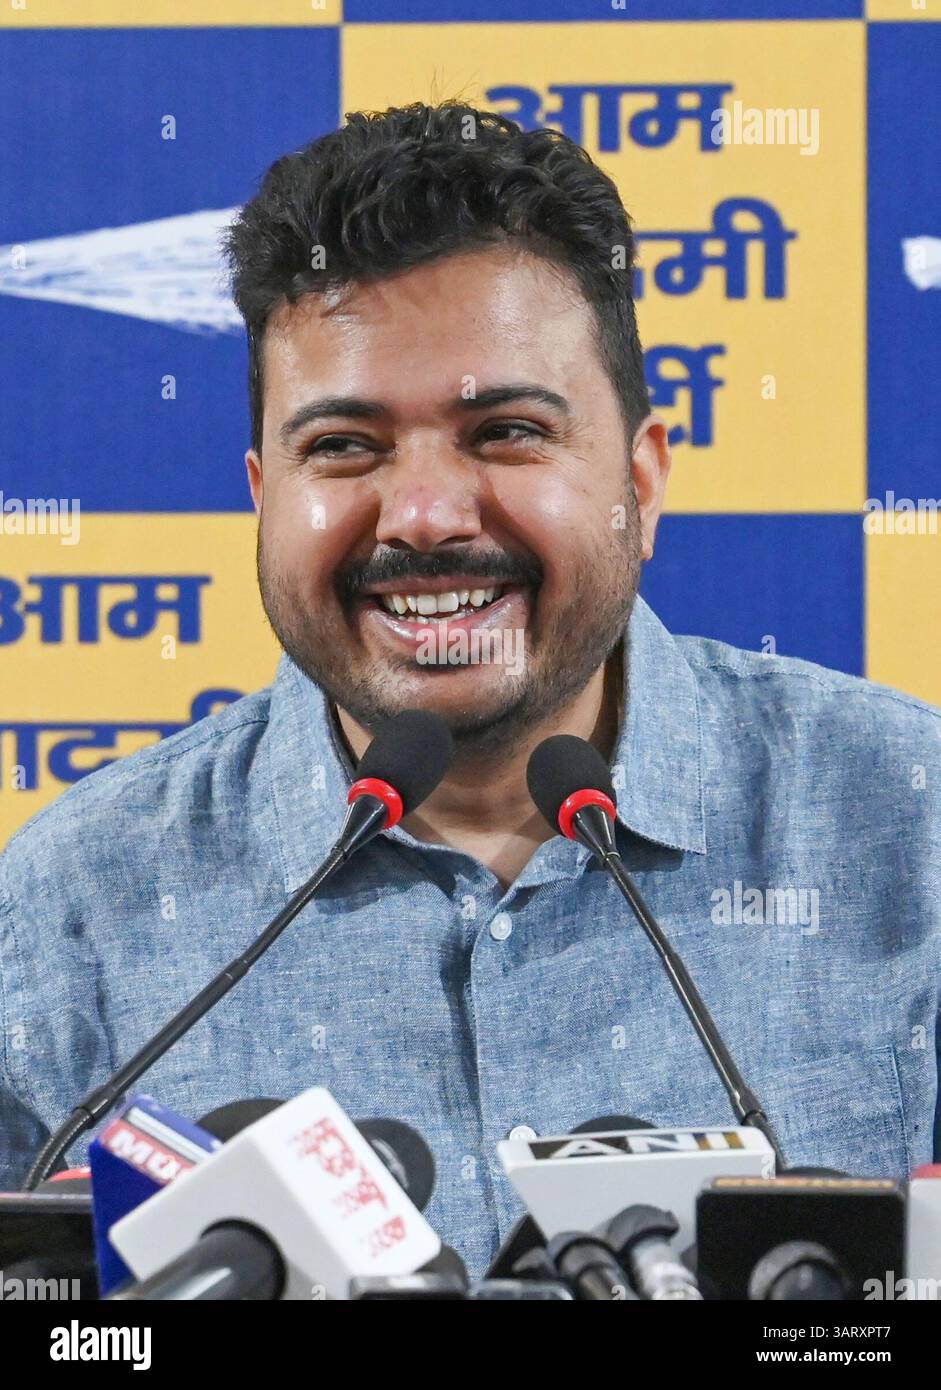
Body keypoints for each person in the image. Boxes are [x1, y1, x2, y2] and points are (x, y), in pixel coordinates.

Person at [1, 102, 938, 1277]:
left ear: (639, 484)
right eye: (343, 445)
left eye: (503, 431)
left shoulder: (912, 826)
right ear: (261, 493)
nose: (427, 514)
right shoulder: (63, 912)